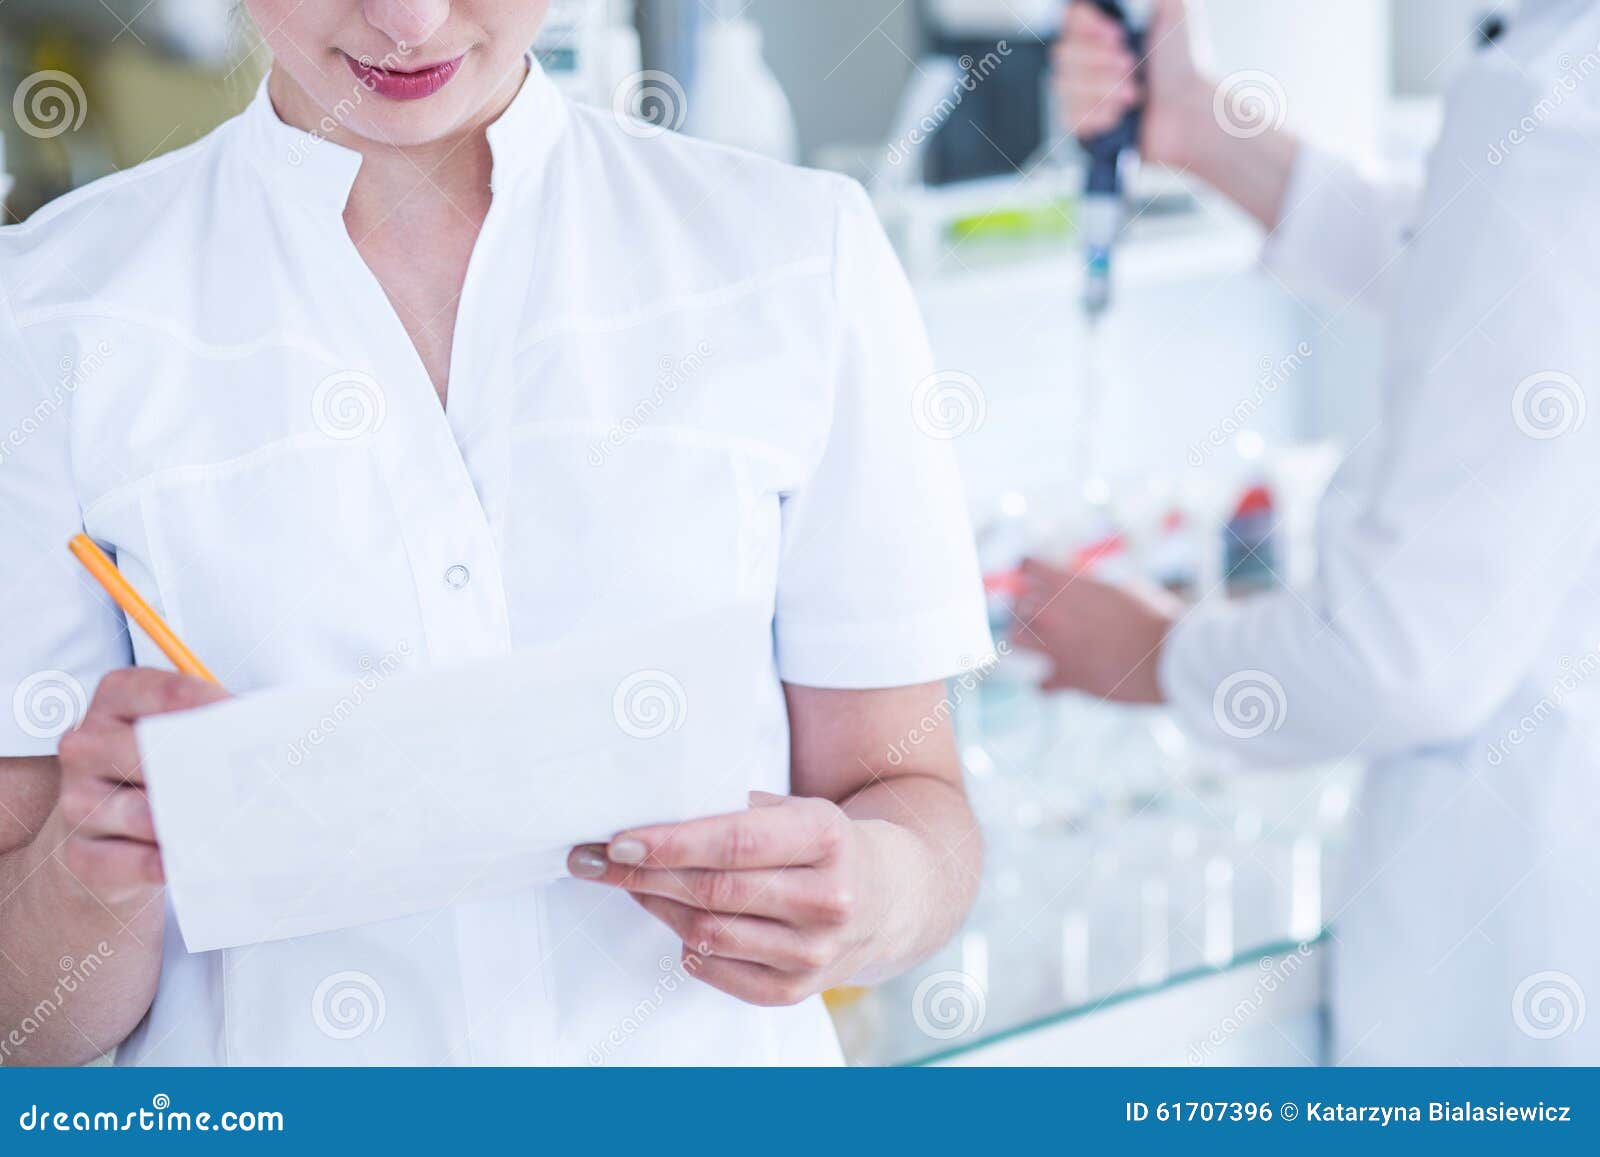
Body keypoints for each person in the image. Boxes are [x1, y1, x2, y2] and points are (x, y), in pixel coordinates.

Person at [0, 0, 992, 1066]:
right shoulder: (50, 313)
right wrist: (84, 878)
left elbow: (915, 803)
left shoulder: (795, 253)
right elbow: (27, 1024)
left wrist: (870, 893)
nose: (407, 21)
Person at [1025, 0, 1600, 1063]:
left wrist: (1156, 652)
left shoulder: (1549, 98)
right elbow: (1511, 296)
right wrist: (1201, 129)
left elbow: (1403, 661)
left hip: (1527, 970)